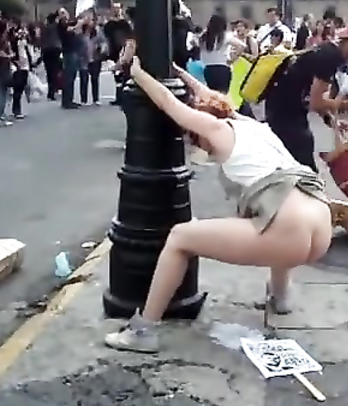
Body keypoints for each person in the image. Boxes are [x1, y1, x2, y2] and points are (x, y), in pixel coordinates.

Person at [103, 59, 334, 353]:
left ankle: (142, 331)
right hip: (320, 222)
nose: (197, 145)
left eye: (193, 138)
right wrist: (180, 73)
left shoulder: (214, 129)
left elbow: (168, 103)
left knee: (180, 237)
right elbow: (209, 96)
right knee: (269, 219)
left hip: (290, 228)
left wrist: (137, 73)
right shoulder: (253, 126)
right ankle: (281, 297)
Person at [263, 17, 348, 173]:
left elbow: (316, 95)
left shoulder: (330, 50)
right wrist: (346, 104)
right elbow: (316, 102)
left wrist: (331, 121)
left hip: (283, 109)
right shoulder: (331, 57)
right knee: (305, 170)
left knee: (295, 165)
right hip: (285, 115)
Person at [199, 14, 245, 93]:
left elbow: (195, 44)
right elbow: (242, 46)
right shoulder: (225, 36)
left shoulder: (203, 37)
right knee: (223, 94)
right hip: (222, 67)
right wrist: (233, 58)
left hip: (208, 68)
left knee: (212, 93)